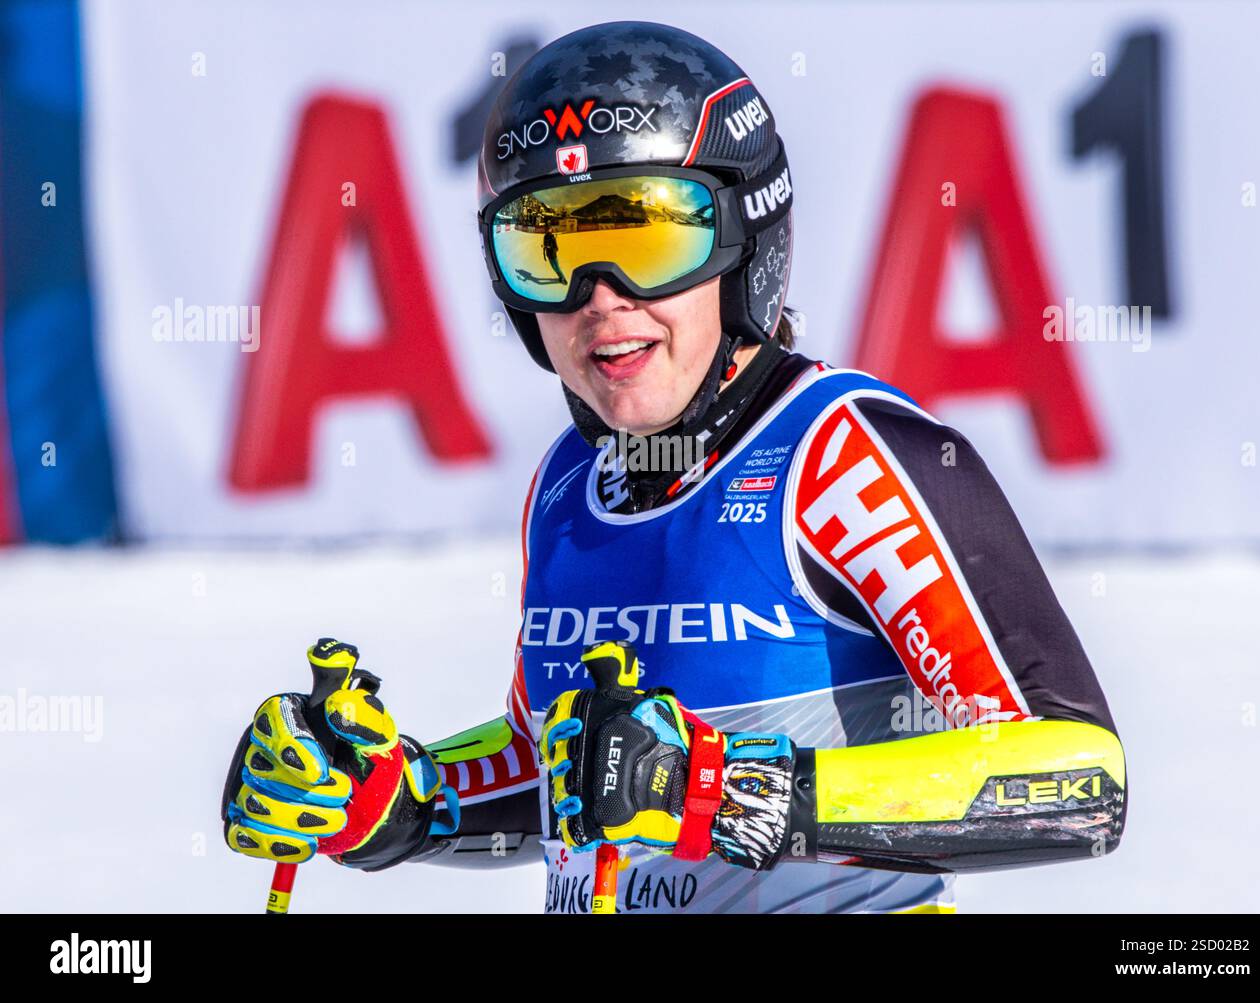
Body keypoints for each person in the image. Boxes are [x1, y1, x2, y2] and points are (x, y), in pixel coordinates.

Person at [222, 20, 1127, 914]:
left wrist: (731, 791)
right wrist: (404, 800)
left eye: (652, 240)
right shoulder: (570, 487)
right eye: (551, 248)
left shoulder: (846, 453)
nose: (602, 301)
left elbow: (1075, 775)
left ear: (745, 244)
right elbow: (568, 776)